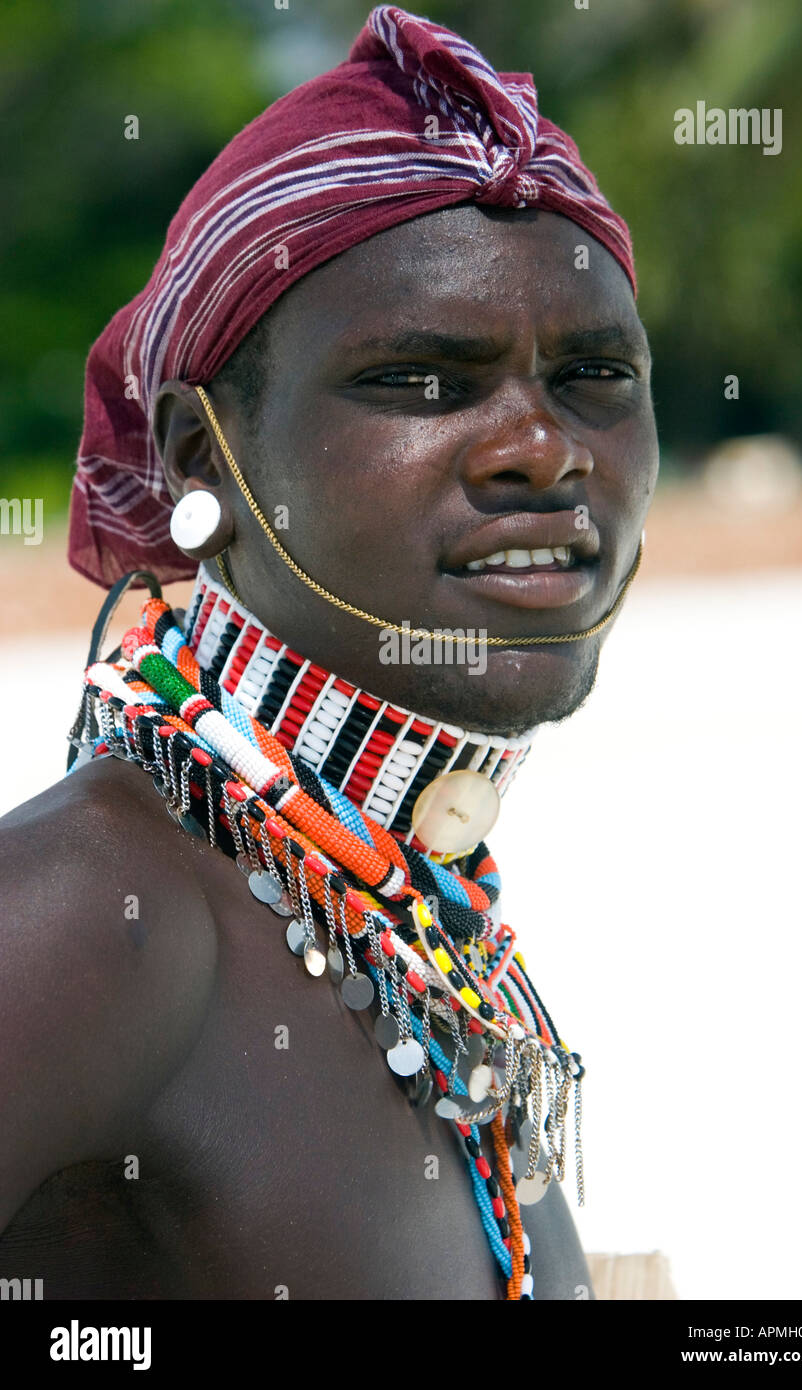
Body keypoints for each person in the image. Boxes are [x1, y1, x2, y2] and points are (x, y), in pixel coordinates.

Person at [0, 6, 657, 1300]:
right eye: (422, 379)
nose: (544, 446)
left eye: (593, 373)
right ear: (203, 461)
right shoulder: (94, 918)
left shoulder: (404, 908)